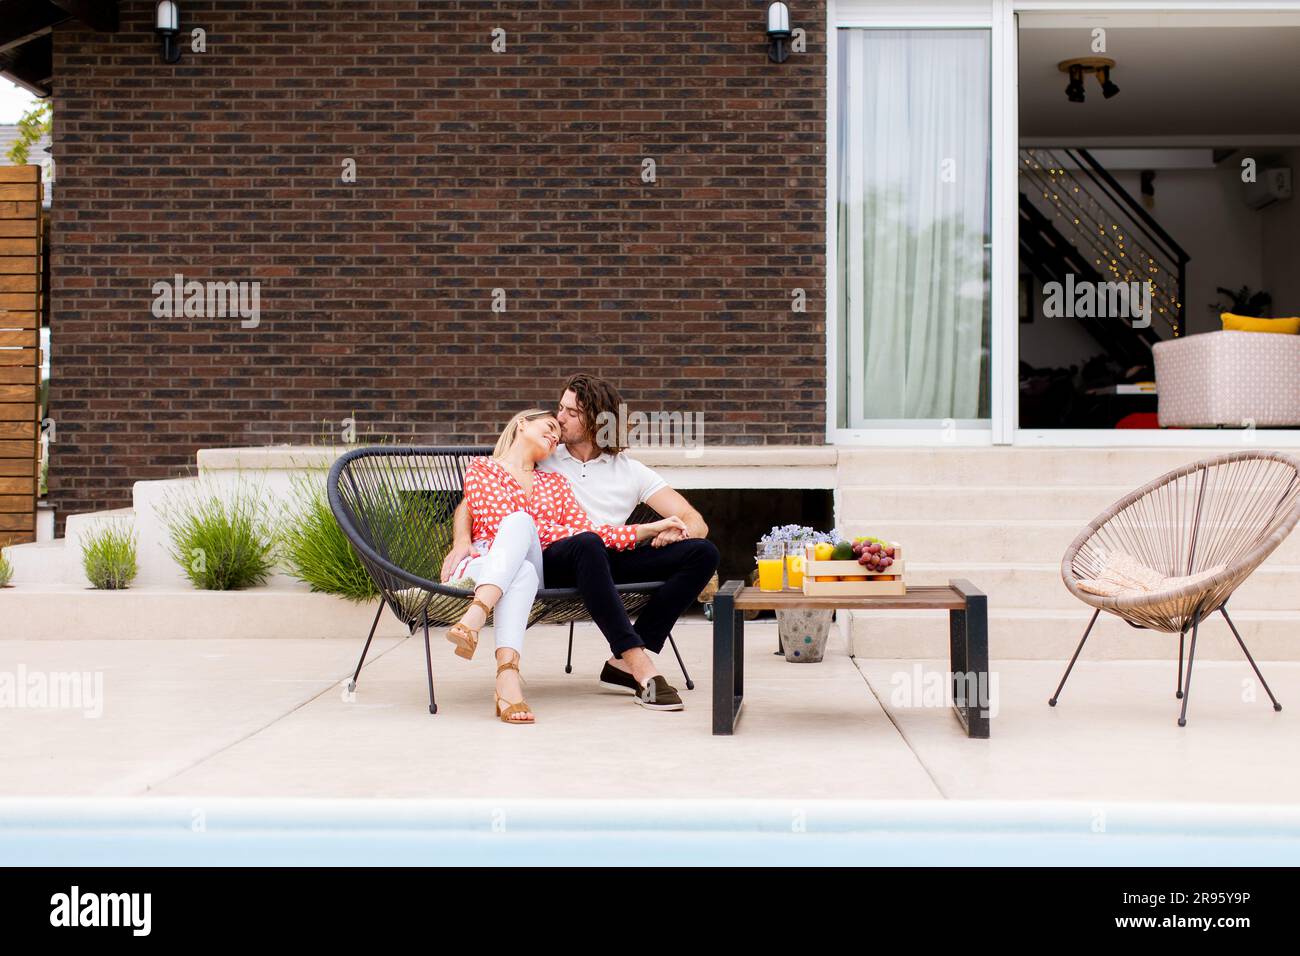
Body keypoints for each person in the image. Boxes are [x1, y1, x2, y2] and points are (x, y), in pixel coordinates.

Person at [443, 375, 720, 712]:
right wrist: (461, 539)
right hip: (556, 560)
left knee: (703, 553)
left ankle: (621, 662)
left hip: (607, 555)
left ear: (599, 420)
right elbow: (475, 499)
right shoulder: (547, 454)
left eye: (571, 413)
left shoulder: (631, 471)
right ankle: (640, 665)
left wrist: (675, 531)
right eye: (559, 409)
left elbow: (695, 521)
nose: (559, 419)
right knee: (586, 542)